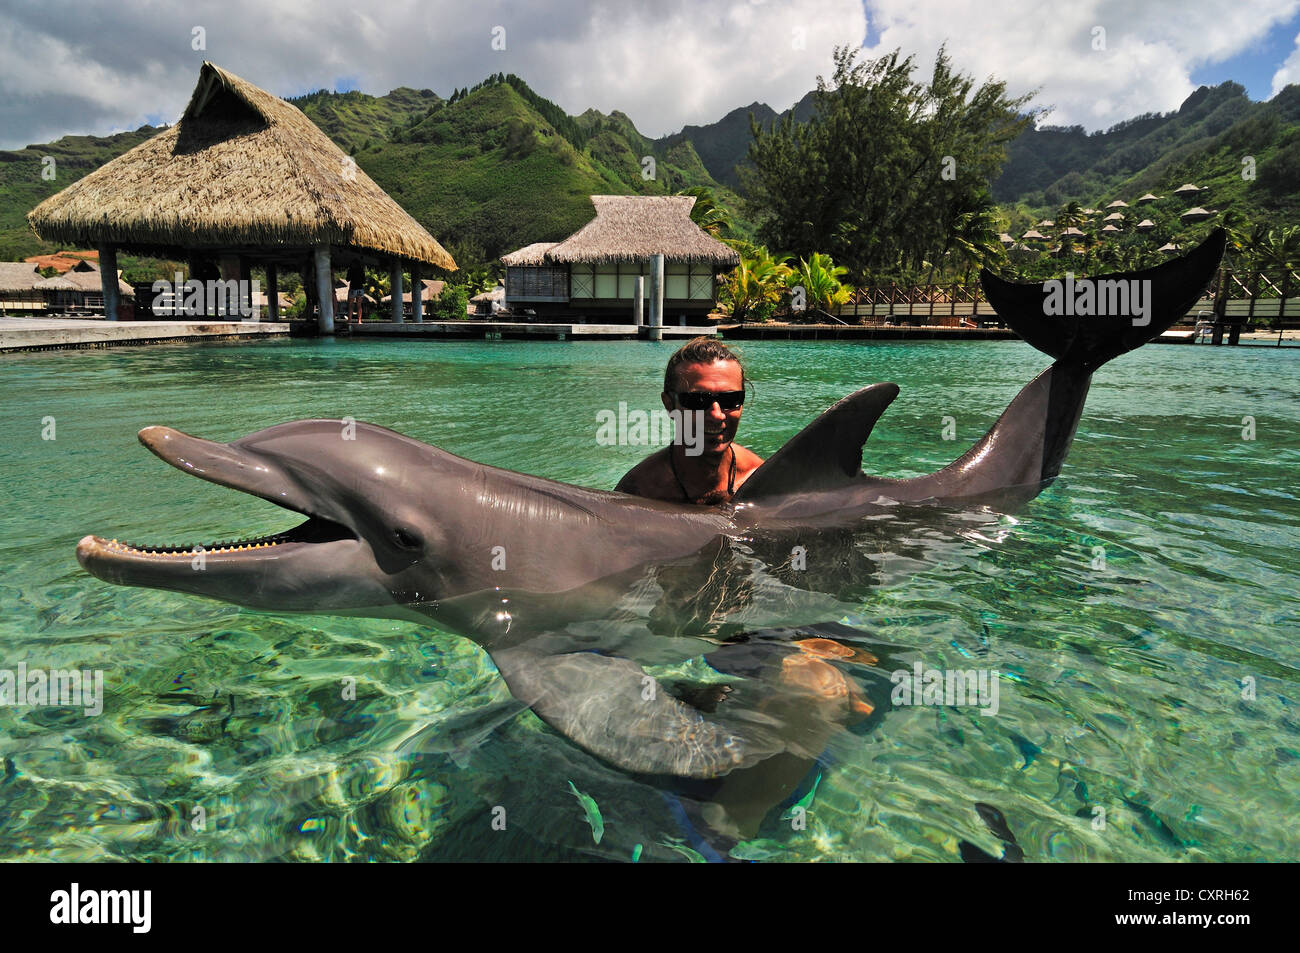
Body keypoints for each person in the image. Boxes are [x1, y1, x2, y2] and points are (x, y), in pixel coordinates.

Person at [615, 337, 764, 505]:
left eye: (730, 399)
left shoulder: (759, 478)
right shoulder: (639, 493)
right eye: (698, 401)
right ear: (669, 404)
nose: (716, 414)